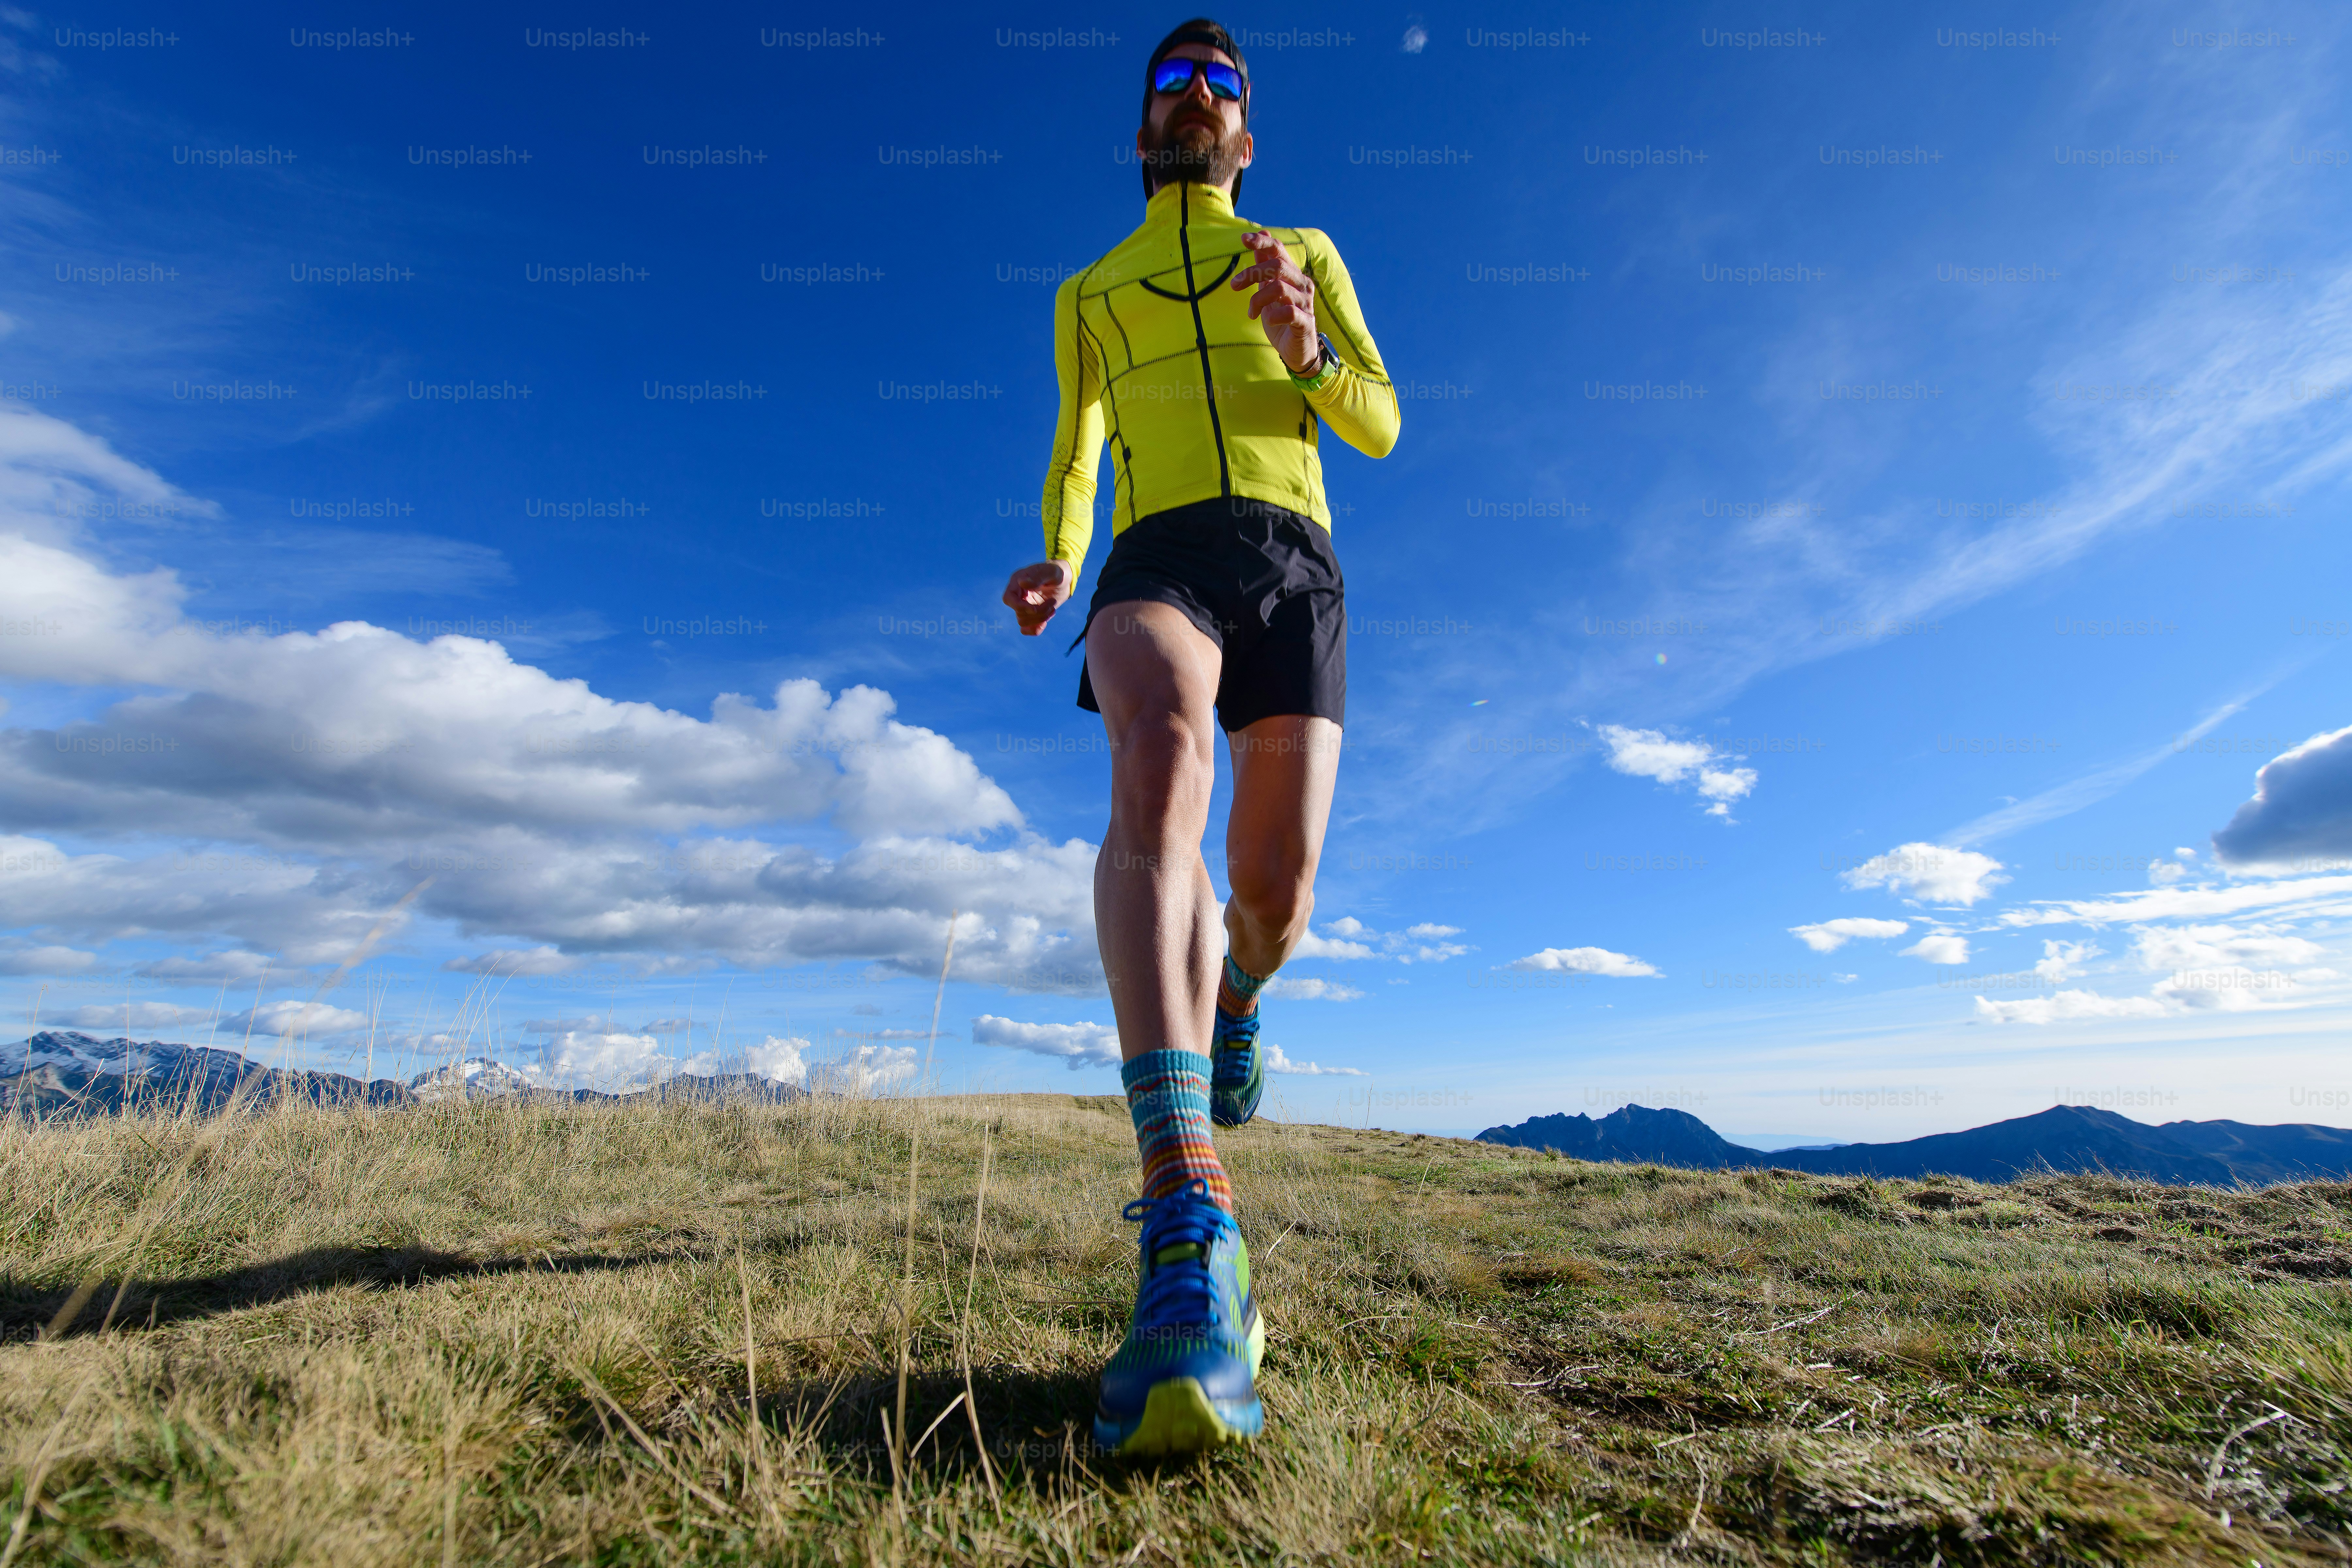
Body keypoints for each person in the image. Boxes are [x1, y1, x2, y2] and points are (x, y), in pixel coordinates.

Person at [1000, 17, 1398, 1456]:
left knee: (1277, 896)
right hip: (1155, 556)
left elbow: (1382, 425)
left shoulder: (1305, 249)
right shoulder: (1090, 289)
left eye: (1220, 85)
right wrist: (1057, 555)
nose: (1194, 97)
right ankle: (1186, 1210)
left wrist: (1304, 347)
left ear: (1248, 133)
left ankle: (1236, 997)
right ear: (1145, 124)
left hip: (1295, 561)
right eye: (1171, 81)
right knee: (1159, 749)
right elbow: (1078, 443)